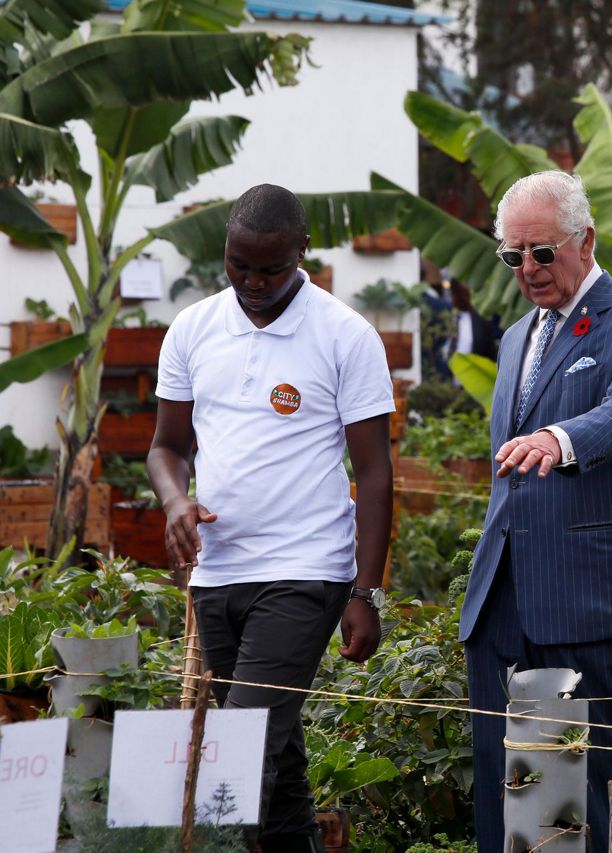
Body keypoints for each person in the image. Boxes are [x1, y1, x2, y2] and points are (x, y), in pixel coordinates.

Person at [147, 184, 394, 853]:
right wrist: (176, 502)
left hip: (304, 571)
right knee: (277, 766)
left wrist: (364, 591)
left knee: (242, 757)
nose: (253, 282)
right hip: (217, 572)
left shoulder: (345, 334)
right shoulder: (193, 329)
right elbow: (168, 446)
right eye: (238, 265)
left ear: (301, 252)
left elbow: (374, 474)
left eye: (270, 268)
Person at [459, 171, 612, 853]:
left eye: (542, 252)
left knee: (611, 780)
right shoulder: (514, 337)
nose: (527, 269)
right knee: (524, 788)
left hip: (594, 595)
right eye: (512, 255)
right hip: (507, 595)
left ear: (584, 241)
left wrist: (560, 439)